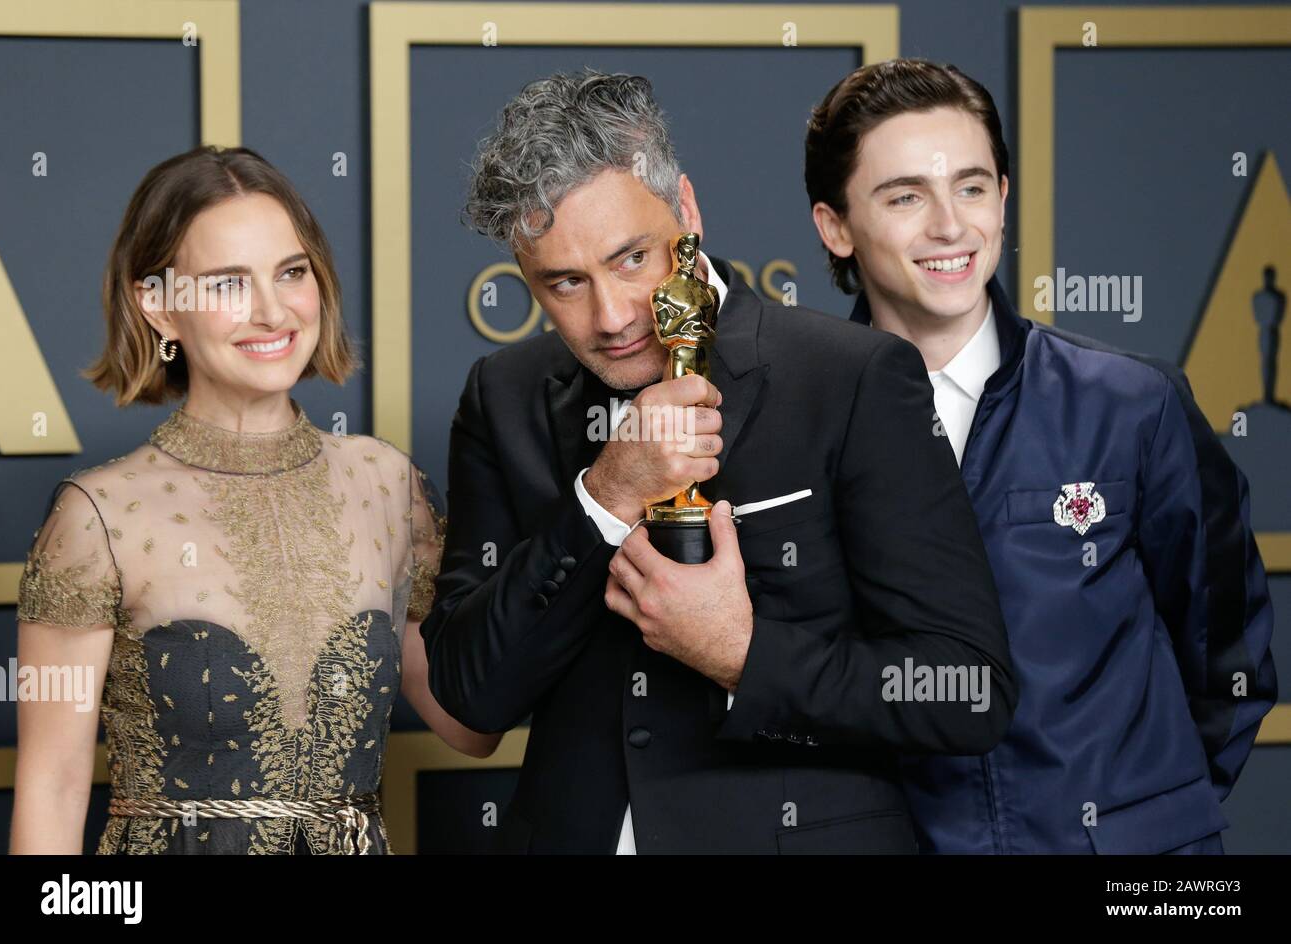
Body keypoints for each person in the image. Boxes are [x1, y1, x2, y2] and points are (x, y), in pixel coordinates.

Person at [422, 70, 1016, 854]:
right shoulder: (505, 395)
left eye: (632, 258)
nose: (612, 317)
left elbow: (966, 692)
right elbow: (471, 695)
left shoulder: (850, 377)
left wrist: (743, 655)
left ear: (687, 211)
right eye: (565, 282)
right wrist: (604, 496)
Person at [806, 58, 1277, 853]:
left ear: (1004, 198)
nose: (950, 225)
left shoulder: (1132, 405)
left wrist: (1141, 818)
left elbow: (1226, 656)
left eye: (972, 186)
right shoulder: (796, 426)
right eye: (905, 196)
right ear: (836, 225)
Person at [10, 146, 499, 854]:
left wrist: (586, 526)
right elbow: (52, 785)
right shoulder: (98, 515)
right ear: (159, 305)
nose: (272, 311)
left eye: (291, 272)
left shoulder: (388, 487)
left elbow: (469, 727)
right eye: (226, 283)